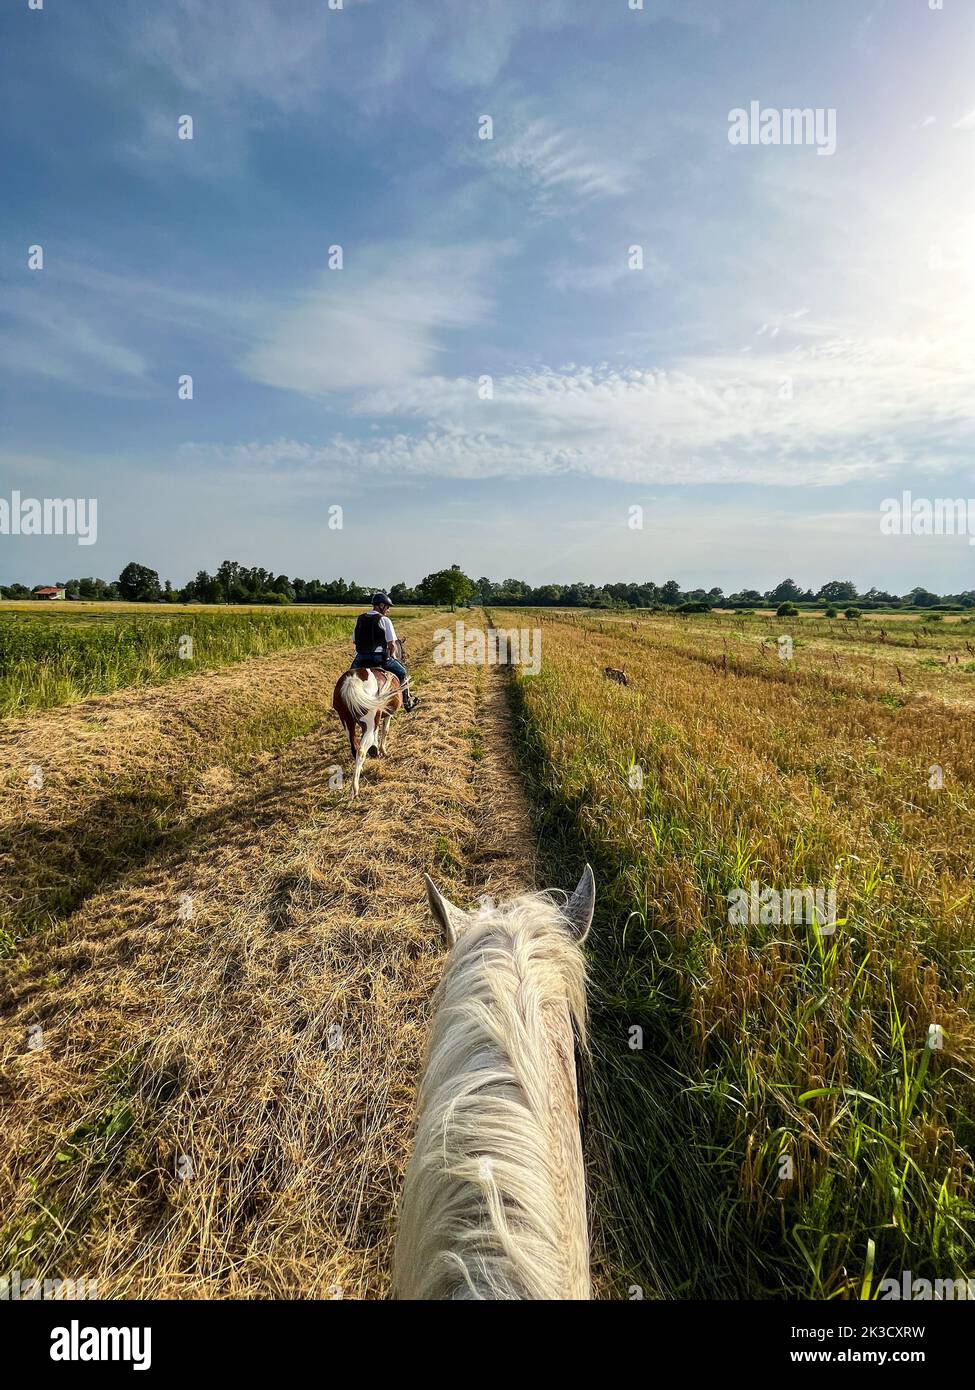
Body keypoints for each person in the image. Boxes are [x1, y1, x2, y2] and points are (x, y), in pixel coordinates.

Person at [351, 593, 420, 711]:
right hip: (378, 658)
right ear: (381, 605)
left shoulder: (360, 618)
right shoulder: (384, 620)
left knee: (349, 678)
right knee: (403, 672)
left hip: (361, 657)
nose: (388, 610)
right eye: (387, 607)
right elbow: (392, 644)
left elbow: (354, 640)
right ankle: (407, 701)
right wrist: (390, 655)